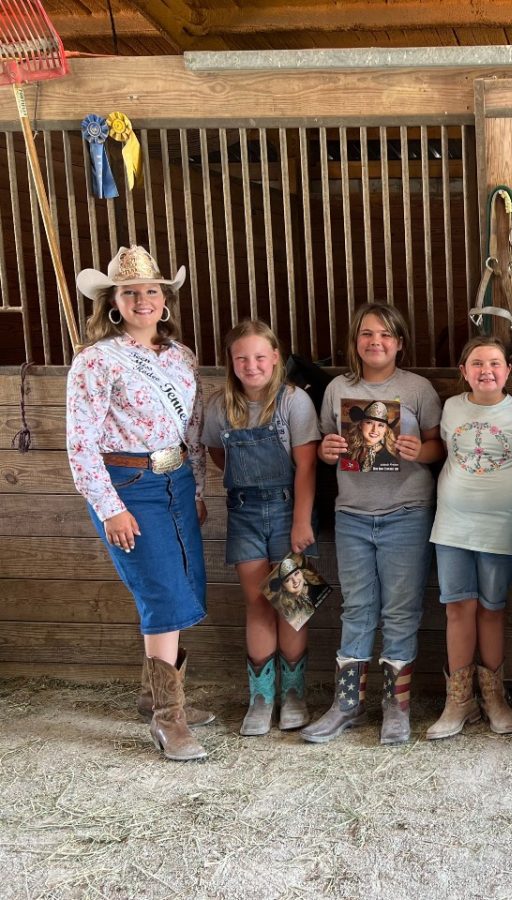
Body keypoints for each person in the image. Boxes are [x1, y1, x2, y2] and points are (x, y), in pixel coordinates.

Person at [66, 245, 212, 761]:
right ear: (114, 301)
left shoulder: (180, 356)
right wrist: (109, 507)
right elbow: (80, 442)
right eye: (131, 292)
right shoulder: (96, 360)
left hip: (173, 482)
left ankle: (158, 696)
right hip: (128, 484)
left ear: (165, 300)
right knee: (163, 594)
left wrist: (195, 487)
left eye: (153, 290)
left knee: (182, 585)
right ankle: (168, 720)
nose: (144, 299)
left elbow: (191, 430)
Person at [301, 303, 445, 746]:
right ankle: (347, 703)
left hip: (406, 511)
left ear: (399, 342)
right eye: (366, 334)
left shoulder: (417, 388)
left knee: (401, 611)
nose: (375, 342)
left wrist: (417, 450)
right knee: (357, 608)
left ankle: (395, 708)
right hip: (353, 514)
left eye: (385, 334)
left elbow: (440, 447)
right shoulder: (337, 390)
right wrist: (327, 451)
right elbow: (328, 444)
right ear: (355, 341)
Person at [204, 319, 319, 736]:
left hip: (290, 511)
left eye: (259, 357)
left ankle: (293, 695)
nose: (251, 366)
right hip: (244, 514)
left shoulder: (294, 402)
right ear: (231, 363)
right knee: (257, 603)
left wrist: (302, 521)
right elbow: (218, 454)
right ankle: (261, 698)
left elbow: (306, 465)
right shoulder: (219, 406)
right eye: (241, 358)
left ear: (275, 358)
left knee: (292, 605)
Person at [427, 336, 512, 741]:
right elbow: (439, 449)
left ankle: (494, 697)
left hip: (502, 526)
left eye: (494, 363)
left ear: (508, 371)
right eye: (476, 363)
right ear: (463, 370)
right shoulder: (452, 408)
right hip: (452, 524)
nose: (486, 370)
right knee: (457, 608)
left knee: (491, 608)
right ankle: (458, 700)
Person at [341, 401, 401, 472]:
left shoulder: (390, 461)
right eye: (369, 422)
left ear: (385, 430)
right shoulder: (353, 451)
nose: (374, 430)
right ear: (360, 425)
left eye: (380, 425)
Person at [267, 557, 318, 626]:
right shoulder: (288, 609)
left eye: (296, 573)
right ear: (283, 587)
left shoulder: (316, 588)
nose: (295, 581)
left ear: (301, 572)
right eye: (288, 580)